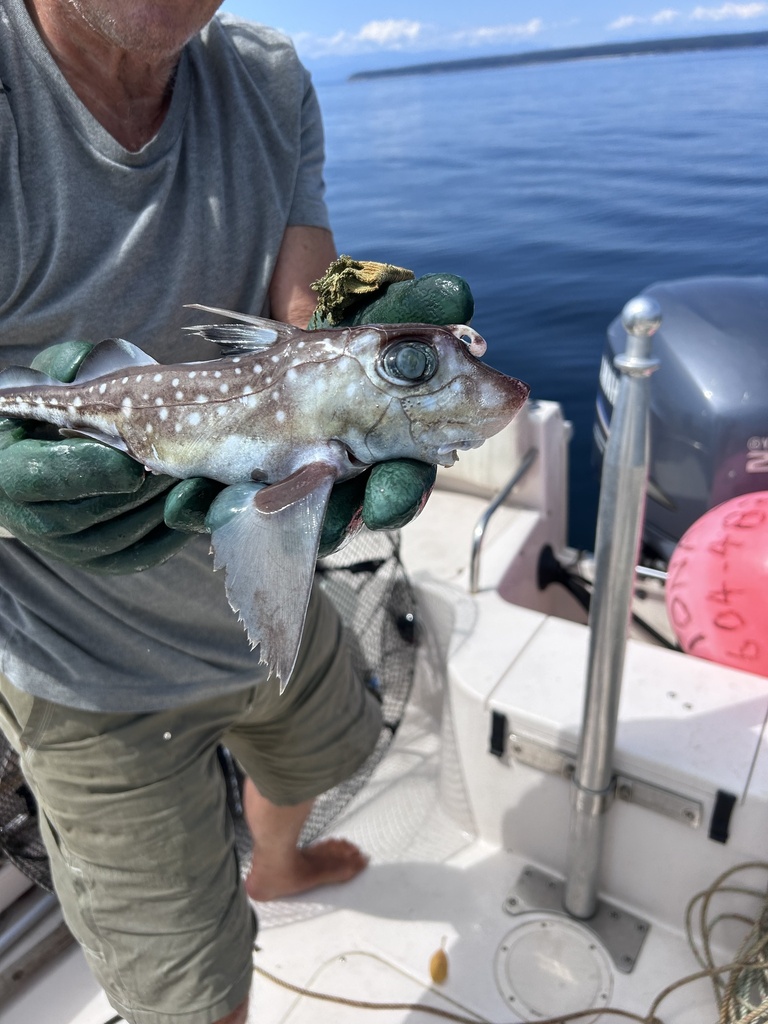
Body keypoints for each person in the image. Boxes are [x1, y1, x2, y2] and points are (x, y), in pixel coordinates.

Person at [0, 3, 452, 1023]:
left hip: (274, 584)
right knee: (196, 1001)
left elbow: (304, 306)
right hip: (83, 664)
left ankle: (276, 866)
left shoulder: (267, 71)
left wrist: (361, 324)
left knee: (324, 748)